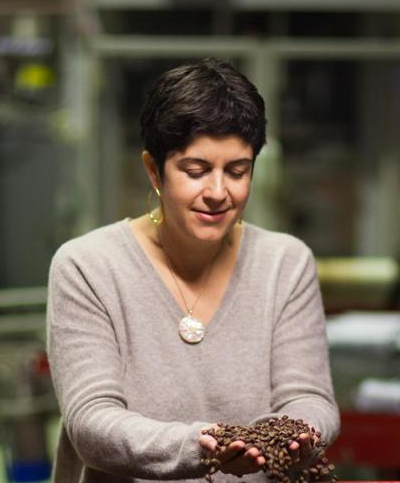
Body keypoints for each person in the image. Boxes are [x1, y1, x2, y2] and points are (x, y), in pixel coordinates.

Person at [46, 58, 340, 483]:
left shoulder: (285, 264)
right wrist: (205, 447)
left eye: (237, 172)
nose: (218, 193)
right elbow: (92, 423)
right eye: (196, 171)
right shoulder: (88, 267)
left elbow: (309, 397)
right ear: (154, 171)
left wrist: (297, 433)